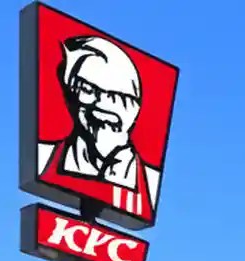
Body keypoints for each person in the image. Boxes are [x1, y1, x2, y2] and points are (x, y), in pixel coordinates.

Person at [35, 35, 160, 219]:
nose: (102, 105)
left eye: (119, 97)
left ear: (136, 110)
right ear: (71, 96)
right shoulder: (42, 158)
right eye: (88, 89)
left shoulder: (149, 182)